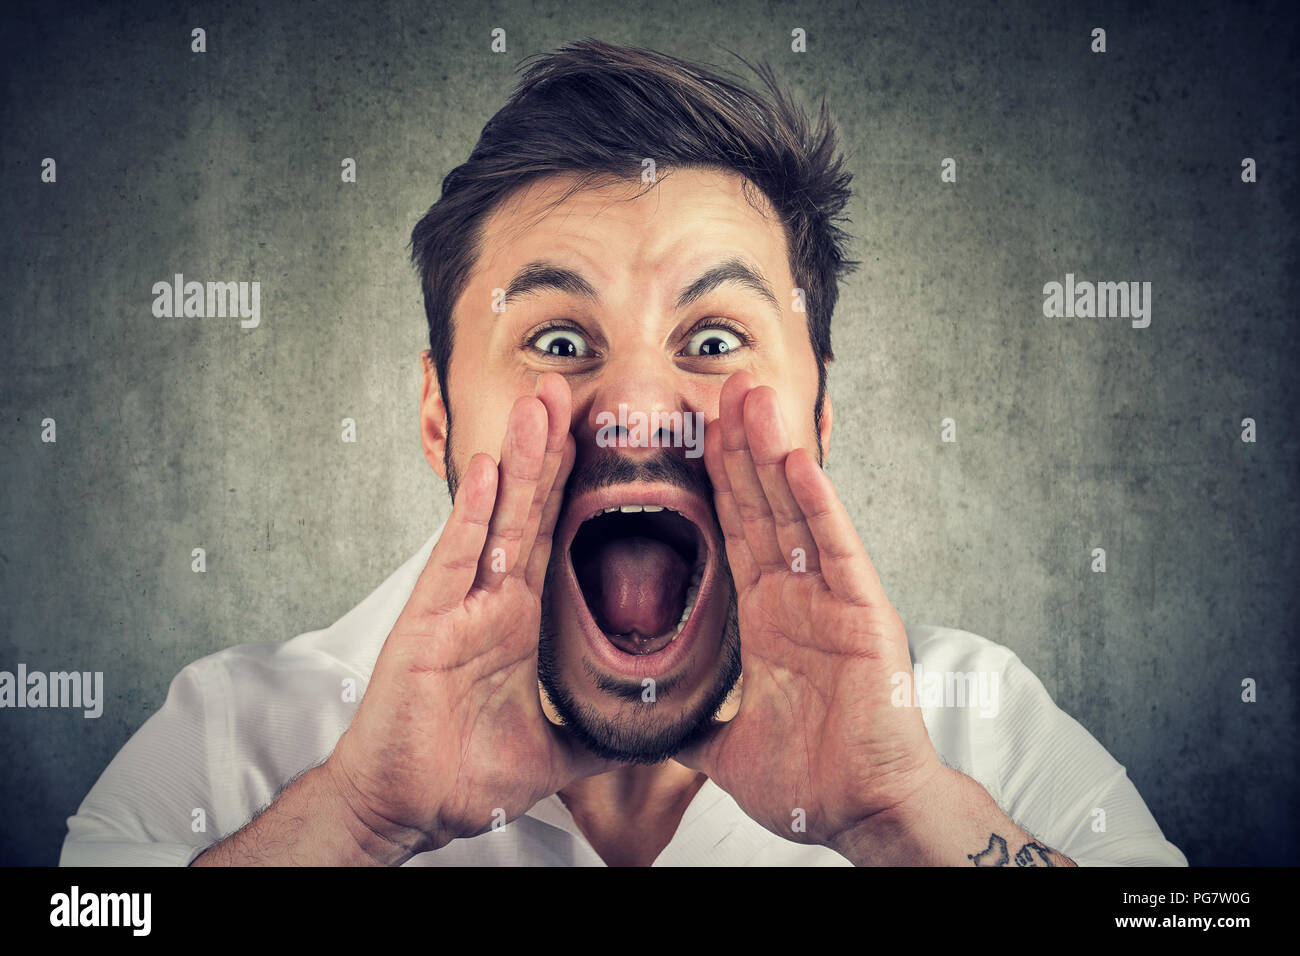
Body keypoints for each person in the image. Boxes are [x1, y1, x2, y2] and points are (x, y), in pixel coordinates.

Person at [60, 39, 1186, 867]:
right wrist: (355, 819)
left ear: (821, 415)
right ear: (436, 415)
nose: (642, 408)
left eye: (711, 338)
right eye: (556, 338)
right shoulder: (229, 740)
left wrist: (907, 813)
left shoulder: (980, 725)